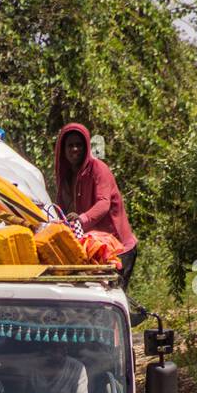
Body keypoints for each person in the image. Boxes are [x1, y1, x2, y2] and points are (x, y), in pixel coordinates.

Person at [53, 123, 139, 292]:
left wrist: (81, 219)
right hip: (94, 246)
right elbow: (61, 209)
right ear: (63, 149)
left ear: (86, 147)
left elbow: (103, 203)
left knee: (113, 294)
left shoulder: (98, 170)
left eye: (79, 145)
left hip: (117, 247)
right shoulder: (66, 175)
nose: (75, 149)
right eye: (70, 145)